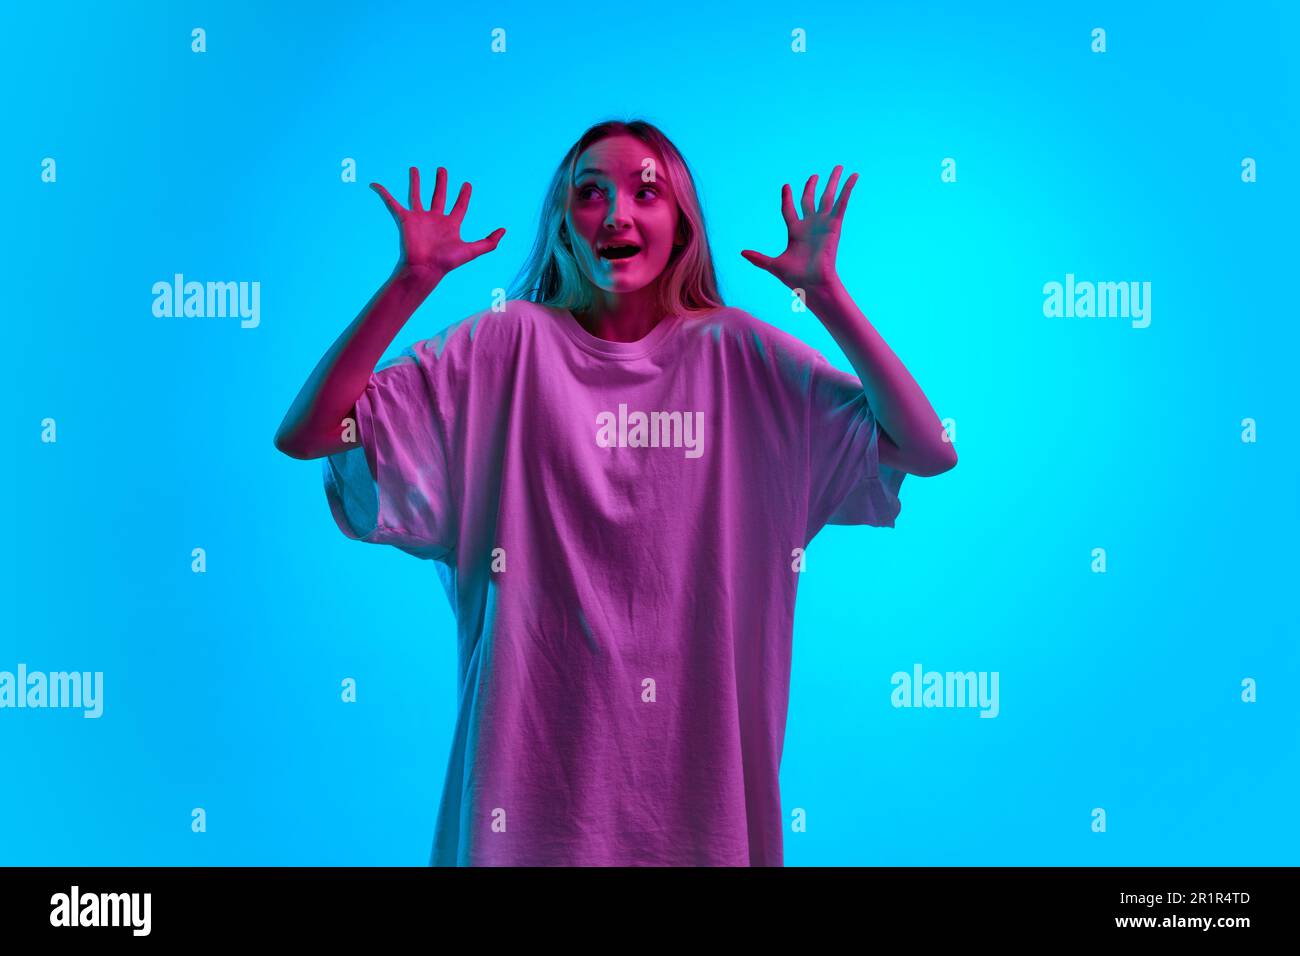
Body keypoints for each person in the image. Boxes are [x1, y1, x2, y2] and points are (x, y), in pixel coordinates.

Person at [274, 119, 957, 866]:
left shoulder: (739, 355)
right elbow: (312, 433)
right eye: (589, 194)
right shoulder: (504, 347)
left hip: (700, 815)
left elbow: (924, 449)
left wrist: (825, 296)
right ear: (565, 226)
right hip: (527, 811)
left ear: (682, 225)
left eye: (645, 192)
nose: (617, 213)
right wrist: (410, 283)